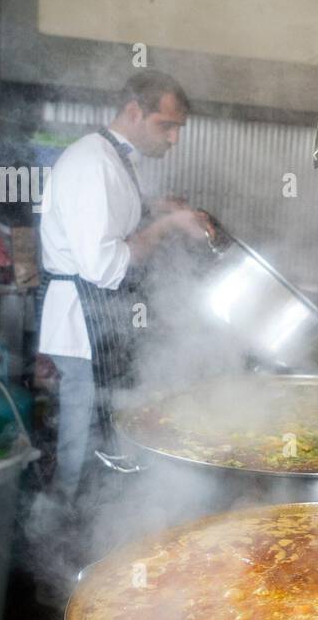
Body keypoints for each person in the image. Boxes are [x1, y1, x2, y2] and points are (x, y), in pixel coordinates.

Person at [37, 70, 214, 504]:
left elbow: (112, 218)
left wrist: (157, 207)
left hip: (100, 322)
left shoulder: (114, 158)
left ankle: (92, 518)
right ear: (134, 112)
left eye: (178, 128)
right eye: (166, 125)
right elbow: (105, 266)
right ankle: (63, 534)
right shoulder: (93, 163)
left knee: (103, 430)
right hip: (82, 326)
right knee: (83, 437)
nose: (174, 139)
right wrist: (169, 225)